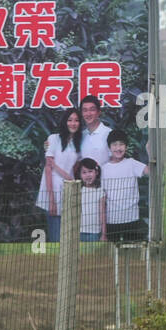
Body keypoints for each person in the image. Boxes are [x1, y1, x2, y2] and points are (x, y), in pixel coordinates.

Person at [34, 108, 82, 242]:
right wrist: (52, 201)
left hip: (69, 190)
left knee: (67, 235)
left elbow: (75, 167)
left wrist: (70, 178)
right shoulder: (53, 139)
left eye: (76, 120)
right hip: (52, 191)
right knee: (55, 234)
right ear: (65, 122)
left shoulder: (78, 144)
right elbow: (48, 169)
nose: (73, 123)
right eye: (70, 120)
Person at [101, 129, 148, 242]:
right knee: (113, 255)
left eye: (121, 144)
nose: (118, 148)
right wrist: (103, 232)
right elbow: (102, 199)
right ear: (109, 147)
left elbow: (151, 171)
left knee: (132, 255)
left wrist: (149, 150)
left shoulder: (132, 163)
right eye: (114, 145)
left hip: (132, 218)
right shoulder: (103, 169)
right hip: (112, 220)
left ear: (126, 147)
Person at [74, 158, 106, 242]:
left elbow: (102, 213)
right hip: (78, 231)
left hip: (94, 232)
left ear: (96, 172)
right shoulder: (77, 190)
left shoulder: (100, 191)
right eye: (84, 172)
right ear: (80, 175)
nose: (88, 175)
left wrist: (103, 234)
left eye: (90, 171)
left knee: (92, 255)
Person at [77, 95, 113, 168]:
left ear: (99, 112)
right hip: (85, 179)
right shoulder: (81, 135)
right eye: (85, 110)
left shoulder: (109, 134)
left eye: (92, 109)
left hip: (106, 178)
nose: (88, 113)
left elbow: (115, 160)